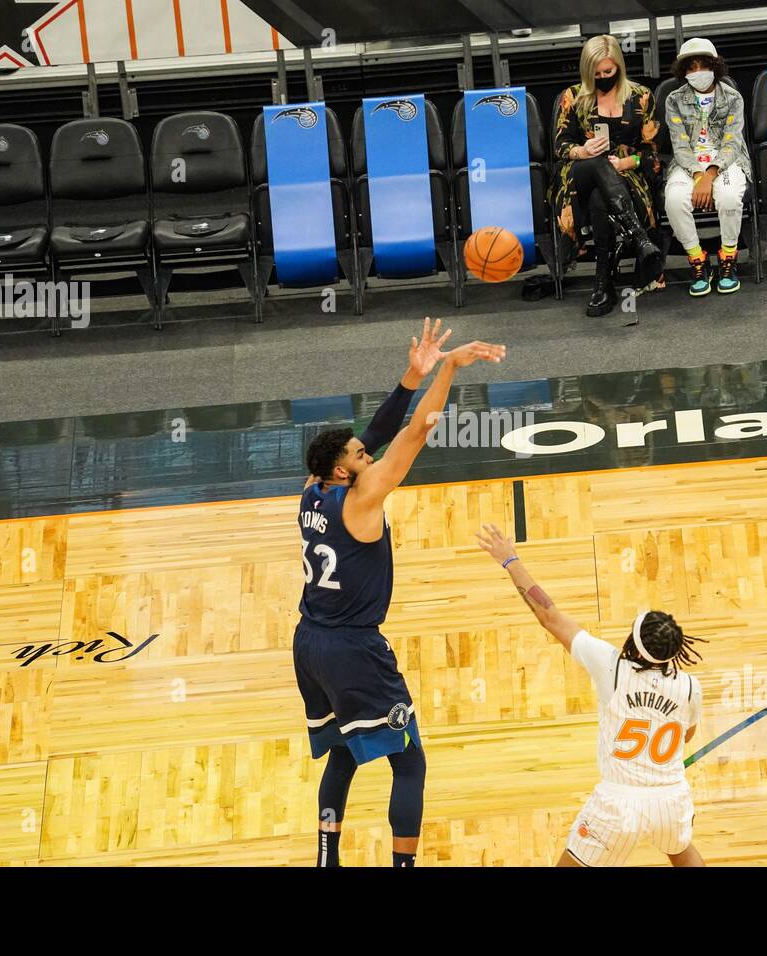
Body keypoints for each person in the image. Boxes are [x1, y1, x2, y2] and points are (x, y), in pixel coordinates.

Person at [294, 319, 506, 866]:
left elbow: (378, 431)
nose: (369, 456)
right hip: (352, 651)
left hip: (310, 642)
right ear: (345, 471)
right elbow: (414, 433)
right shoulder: (362, 503)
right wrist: (450, 369)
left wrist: (412, 376)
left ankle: (327, 859)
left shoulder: (313, 489)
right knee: (409, 761)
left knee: (342, 753)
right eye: (361, 457)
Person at [475, 523, 707, 866]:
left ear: (634, 644)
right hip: (670, 797)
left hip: (619, 803)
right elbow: (686, 735)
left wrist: (511, 560)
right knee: (682, 853)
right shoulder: (690, 687)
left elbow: (548, 616)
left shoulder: (611, 666)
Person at [549, 33, 667, 317]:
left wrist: (628, 163)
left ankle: (603, 282)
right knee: (597, 164)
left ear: (619, 68)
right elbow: (559, 145)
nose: (602, 77)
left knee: (601, 200)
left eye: (608, 72)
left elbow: (653, 154)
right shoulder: (573, 96)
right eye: (596, 73)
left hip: (624, 176)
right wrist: (583, 149)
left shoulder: (640, 96)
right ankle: (639, 238)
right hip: (578, 173)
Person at [662, 36, 752, 297]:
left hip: (727, 160)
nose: (698, 72)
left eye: (703, 66)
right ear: (684, 72)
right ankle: (697, 259)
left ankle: (728, 258)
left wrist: (710, 173)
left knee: (728, 196)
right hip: (688, 161)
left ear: (715, 66)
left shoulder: (733, 98)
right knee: (675, 199)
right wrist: (698, 174)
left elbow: (733, 142)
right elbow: (679, 146)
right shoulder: (674, 100)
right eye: (691, 67)